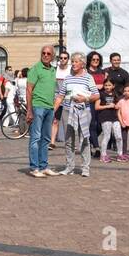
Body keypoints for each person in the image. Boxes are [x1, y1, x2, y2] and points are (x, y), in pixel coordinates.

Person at [56, 52, 95, 177]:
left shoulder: (88, 77)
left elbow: (96, 95)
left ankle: (85, 167)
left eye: (76, 61)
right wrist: (53, 110)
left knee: (84, 139)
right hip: (67, 110)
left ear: (82, 63)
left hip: (83, 111)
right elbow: (61, 95)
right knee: (68, 140)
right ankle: (69, 166)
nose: (73, 63)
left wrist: (85, 99)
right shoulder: (68, 78)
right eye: (72, 61)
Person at [26, 45, 59, 177]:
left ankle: (44, 166)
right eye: (43, 53)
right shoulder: (35, 69)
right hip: (38, 106)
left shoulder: (52, 70)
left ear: (52, 56)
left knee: (46, 138)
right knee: (35, 137)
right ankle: (34, 167)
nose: (45, 55)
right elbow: (29, 90)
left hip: (49, 107)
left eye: (48, 54)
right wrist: (29, 110)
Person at [95, 82, 122, 162]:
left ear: (113, 86)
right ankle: (103, 155)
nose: (107, 87)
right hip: (105, 117)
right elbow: (96, 107)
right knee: (107, 136)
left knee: (119, 136)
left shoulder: (115, 94)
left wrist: (117, 106)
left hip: (114, 117)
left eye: (109, 85)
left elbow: (117, 105)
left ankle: (120, 154)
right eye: (106, 85)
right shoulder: (101, 94)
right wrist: (108, 106)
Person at [50, 50, 71, 149]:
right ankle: (52, 142)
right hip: (57, 97)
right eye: (61, 58)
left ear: (68, 59)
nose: (63, 60)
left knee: (69, 121)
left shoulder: (71, 70)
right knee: (55, 120)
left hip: (68, 98)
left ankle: (70, 142)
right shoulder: (54, 69)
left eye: (65, 58)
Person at [86, 50, 105, 154]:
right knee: (92, 123)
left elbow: (107, 85)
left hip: (102, 100)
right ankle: (96, 147)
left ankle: (89, 140)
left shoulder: (102, 72)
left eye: (97, 59)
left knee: (101, 125)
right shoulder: (86, 72)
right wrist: (98, 86)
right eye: (93, 59)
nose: (95, 61)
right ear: (89, 60)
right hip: (91, 100)